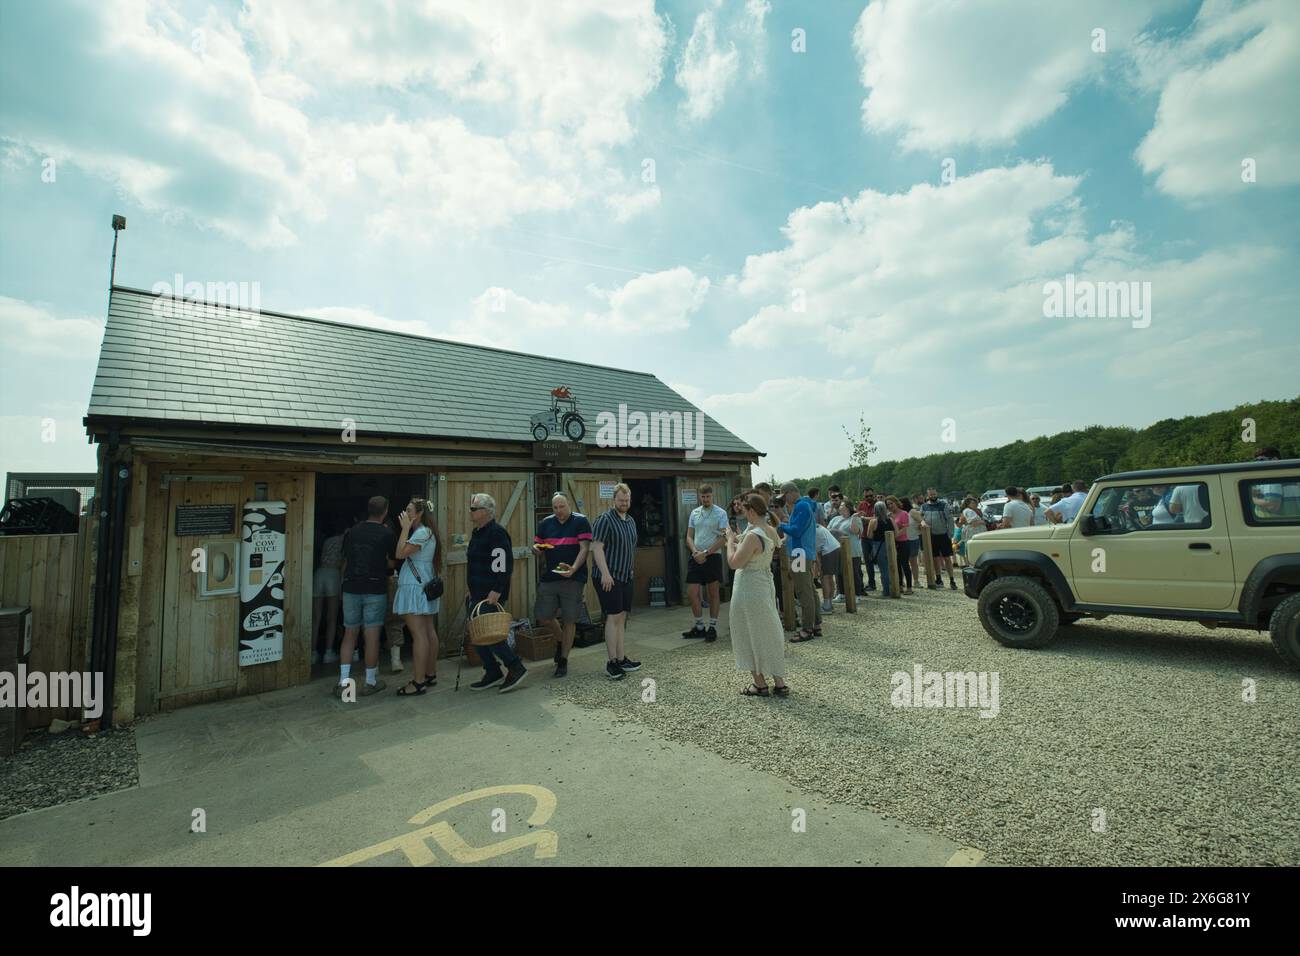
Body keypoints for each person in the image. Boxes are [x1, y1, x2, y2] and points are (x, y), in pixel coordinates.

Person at [724, 494, 789, 698]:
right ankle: (779, 682)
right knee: (768, 631)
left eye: (745, 510)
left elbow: (734, 563)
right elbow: (775, 545)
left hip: (748, 587)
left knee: (747, 632)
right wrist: (738, 540)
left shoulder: (753, 535)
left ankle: (759, 684)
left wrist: (729, 541)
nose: (743, 514)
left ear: (751, 511)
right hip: (764, 584)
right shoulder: (769, 530)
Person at [335, 496, 397, 697]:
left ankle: (344, 682)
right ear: (385, 511)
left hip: (351, 586)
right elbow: (391, 562)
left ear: (368, 510)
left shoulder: (352, 532)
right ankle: (370, 681)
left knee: (349, 633)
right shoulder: (387, 534)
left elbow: (344, 560)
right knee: (372, 635)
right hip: (375, 587)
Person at [465, 492, 527, 693]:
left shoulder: (497, 533)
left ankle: (515, 667)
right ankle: (492, 671)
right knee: (477, 634)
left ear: (486, 512)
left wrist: (497, 590)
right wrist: (470, 589)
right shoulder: (477, 533)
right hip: (477, 592)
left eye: (474, 509)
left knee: (491, 635)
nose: (470, 512)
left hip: (490, 594)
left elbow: (504, 565)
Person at [533, 492, 591, 679]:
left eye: (562, 507)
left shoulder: (581, 521)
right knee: (543, 616)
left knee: (569, 620)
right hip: (550, 577)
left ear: (569, 505)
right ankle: (561, 642)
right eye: (555, 508)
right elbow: (540, 547)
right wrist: (536, 549)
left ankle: (563, 660)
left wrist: (573, 569)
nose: (559, 511)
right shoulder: (545, 524)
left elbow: (584, 549)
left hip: (573, 578)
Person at [590, 483, 641, 679]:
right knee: (612, 617)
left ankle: (621, 658)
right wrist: (605, 573)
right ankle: (611, 662)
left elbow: (630, 547)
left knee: (621, 617)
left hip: (625, 575)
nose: (624, 503)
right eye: (621, 500)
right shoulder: (605, 520)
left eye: (627, 500)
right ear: (614, 500)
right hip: (608, 577)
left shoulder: (630, 521)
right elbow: (596, 547)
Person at [393, 498, 443, 696]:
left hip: (415, 587)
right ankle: (430, 673)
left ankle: (418, 681)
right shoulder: (428, 532)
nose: (405, 513)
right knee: (428, 629)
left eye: (409, 510)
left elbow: (399, 553)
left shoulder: (421, 532)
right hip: (424, 583)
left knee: (418, 634)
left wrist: (404, 528)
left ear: (419, 513)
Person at [682, 484, 729, 642]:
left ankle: (713, 627)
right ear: (699, 497)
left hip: (712, 556)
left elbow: (724, 538)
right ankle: (700, 626)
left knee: (713, 593)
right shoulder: (695, 513)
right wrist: (695, 551)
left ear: (712, 496)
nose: (705, 499)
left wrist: (706, 553)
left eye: (708, 496)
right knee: (692, 593)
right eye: (703, 497)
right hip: (695, 556)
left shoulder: (721, 513)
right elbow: (689, 536)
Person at [777, 481, 820, 641]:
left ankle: (807, 629)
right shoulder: (806, 505)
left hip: (799, 552)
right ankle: (816, 624)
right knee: (810, 589)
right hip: (803, 551)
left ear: (791, 492)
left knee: (803, 591)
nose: (784, 500)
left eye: (784, 496)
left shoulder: (801, 506)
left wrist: (780, 525)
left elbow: (796, 530)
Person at [312, 520, 344, 664]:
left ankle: (312, 652)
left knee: (316, 617)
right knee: (332, 617)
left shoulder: (327, 540)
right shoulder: (345, 540)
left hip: (319, 574)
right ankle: (328, 652)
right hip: (333, 574)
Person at [920, 488, 957, 590]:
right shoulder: (924, 506)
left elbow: (949, 519)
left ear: (937, 494)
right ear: (927, 495)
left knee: (947, 558)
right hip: (931, 536)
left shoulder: (944, 505)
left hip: (943, 535)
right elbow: (921, 519)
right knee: (935, 558)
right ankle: (938, 578)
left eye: (934, 494)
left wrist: (950, 533)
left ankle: (952, 579)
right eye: (930, 495)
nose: (932, 496)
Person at [830, 501, 866, 598]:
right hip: (837, 549)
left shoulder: (855, 518)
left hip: (852, 550)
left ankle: (857, 594)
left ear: (848, 507)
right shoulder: (835, 519)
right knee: (839, 572)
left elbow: (855, 531)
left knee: (854, 573)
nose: (840, 506)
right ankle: (841, 593)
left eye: (842, 505)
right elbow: (828, 531)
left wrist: (854, 517)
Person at [886, 496, 913, 595]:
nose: (890, 506)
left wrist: (896, 535)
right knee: (896, 564)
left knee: (904, 564)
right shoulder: (889, 515)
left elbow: (905, 528)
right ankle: (900, 585)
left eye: (891, 503)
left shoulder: (904, 513)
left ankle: (909, 587)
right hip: (893, 542)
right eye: (888, 504)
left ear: (896, 502)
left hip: (903, 542)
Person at [867, 501, 894, 597]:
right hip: (891, 545)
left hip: (878, 546)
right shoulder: (890, 520)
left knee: (884, 570)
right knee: (893, 568)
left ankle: (886, 591)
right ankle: (895, 588)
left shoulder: (873, 521)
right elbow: (897, 533)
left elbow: (869, 536)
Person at [814, 522, 841, 612]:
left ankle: (826, 605)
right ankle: (829, 603)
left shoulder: (811, 531)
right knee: (829, 577)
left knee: (824, 577)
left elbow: (816, 553)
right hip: (835, 547)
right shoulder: (817, 526)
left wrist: (818, 567)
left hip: (828, 551)